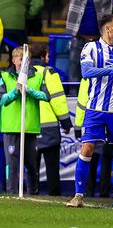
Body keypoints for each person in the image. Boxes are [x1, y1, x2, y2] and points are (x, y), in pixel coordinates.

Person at [66, 14, 113, 207]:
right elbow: (86, 73)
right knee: (87, 148)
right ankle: (78, 195)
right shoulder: (91, 48)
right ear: (107, 29)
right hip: (95, 109)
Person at [0, 46, 49, 195]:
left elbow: (46, 96)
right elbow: (2, 99)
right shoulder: (4, 76)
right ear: (14, 60)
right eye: (21, 59)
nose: (23, 63)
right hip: (11, 126)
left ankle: (33, 192)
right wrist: (16, 91)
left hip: (30, 126)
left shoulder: (38, 76)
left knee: (31, 164)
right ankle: (12, 192)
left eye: (26, 60)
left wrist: (29, 90)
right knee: (12, 163)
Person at [30, 43, 72, 196]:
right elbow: (58, 99)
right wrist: (66, 122)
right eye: (47, 55)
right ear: (43, 56)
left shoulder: (23, 73)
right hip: (49, 128)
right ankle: (54, 195)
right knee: (52, 166)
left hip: (28, 126)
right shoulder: (49, 73)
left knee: (31, 166)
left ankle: (30, 194)